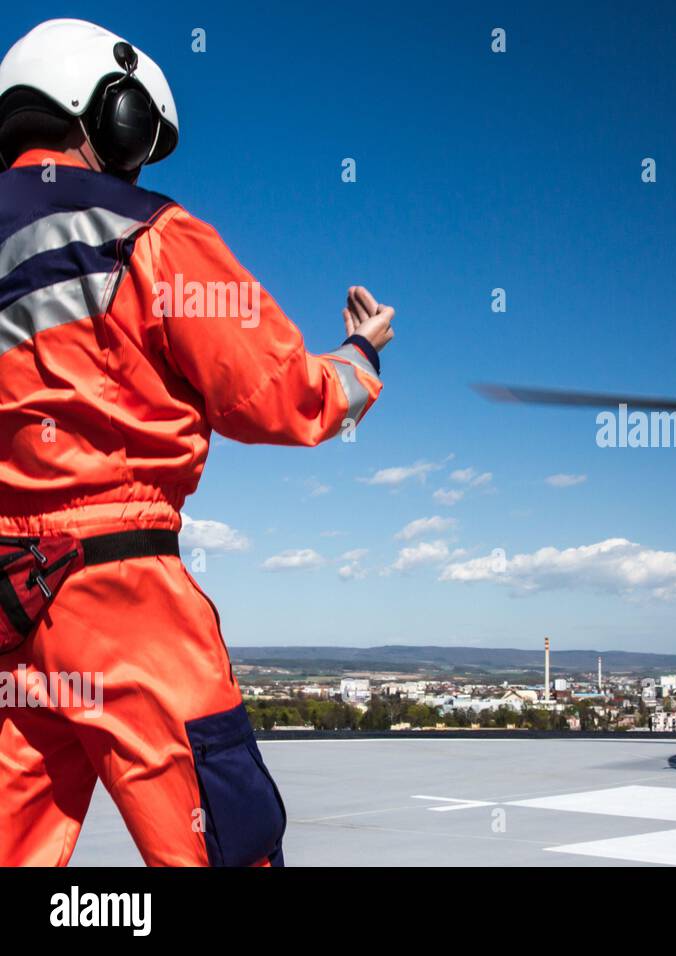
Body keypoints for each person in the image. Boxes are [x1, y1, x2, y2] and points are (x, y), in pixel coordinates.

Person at [0, 19, 395, 866]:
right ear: (111, 113)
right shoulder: (152, 231)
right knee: (224, 841)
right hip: (122, 594)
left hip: (6, 606)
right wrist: (360, 359)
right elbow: (283, 397)